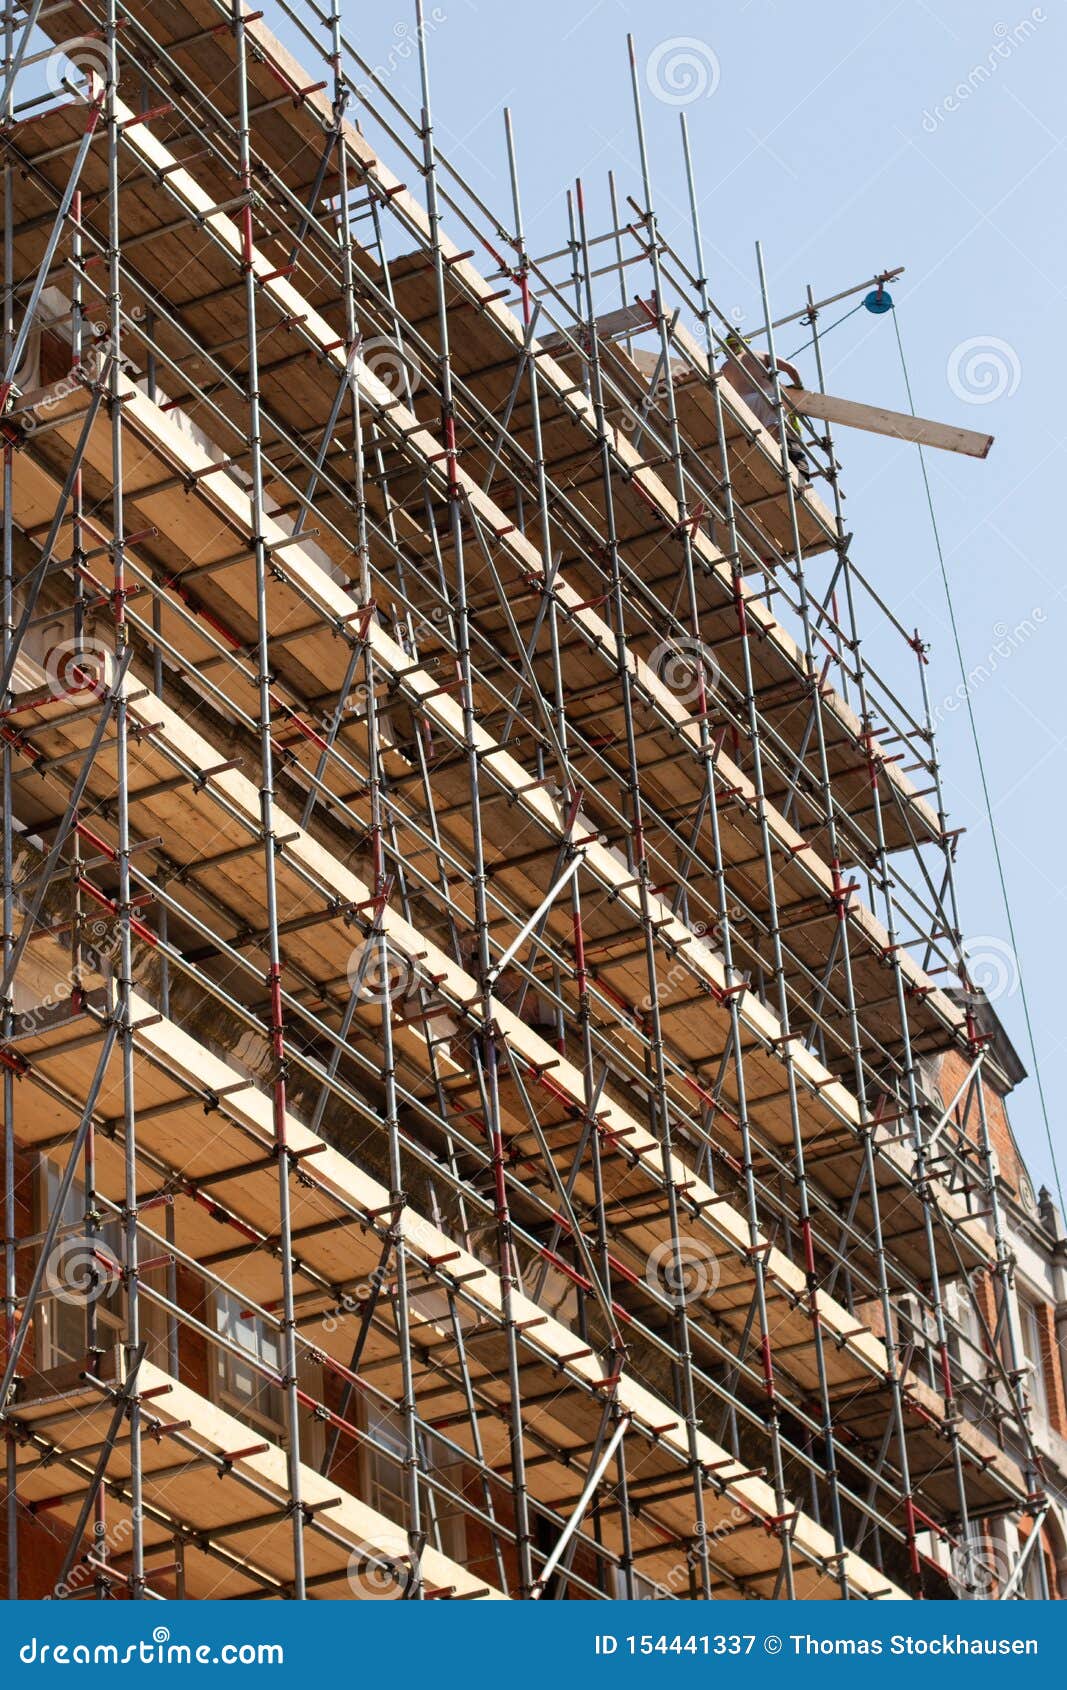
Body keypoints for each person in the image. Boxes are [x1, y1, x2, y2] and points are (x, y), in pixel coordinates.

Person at [720, 334, 812, 482]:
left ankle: (770, 468)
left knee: (762, 438)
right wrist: (798, 386)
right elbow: (791, 369)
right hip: (766, 398)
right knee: (780, 431)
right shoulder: (759, 355)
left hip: (745, 405)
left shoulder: (725, 367)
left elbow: (722, 392)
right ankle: (794, 469)